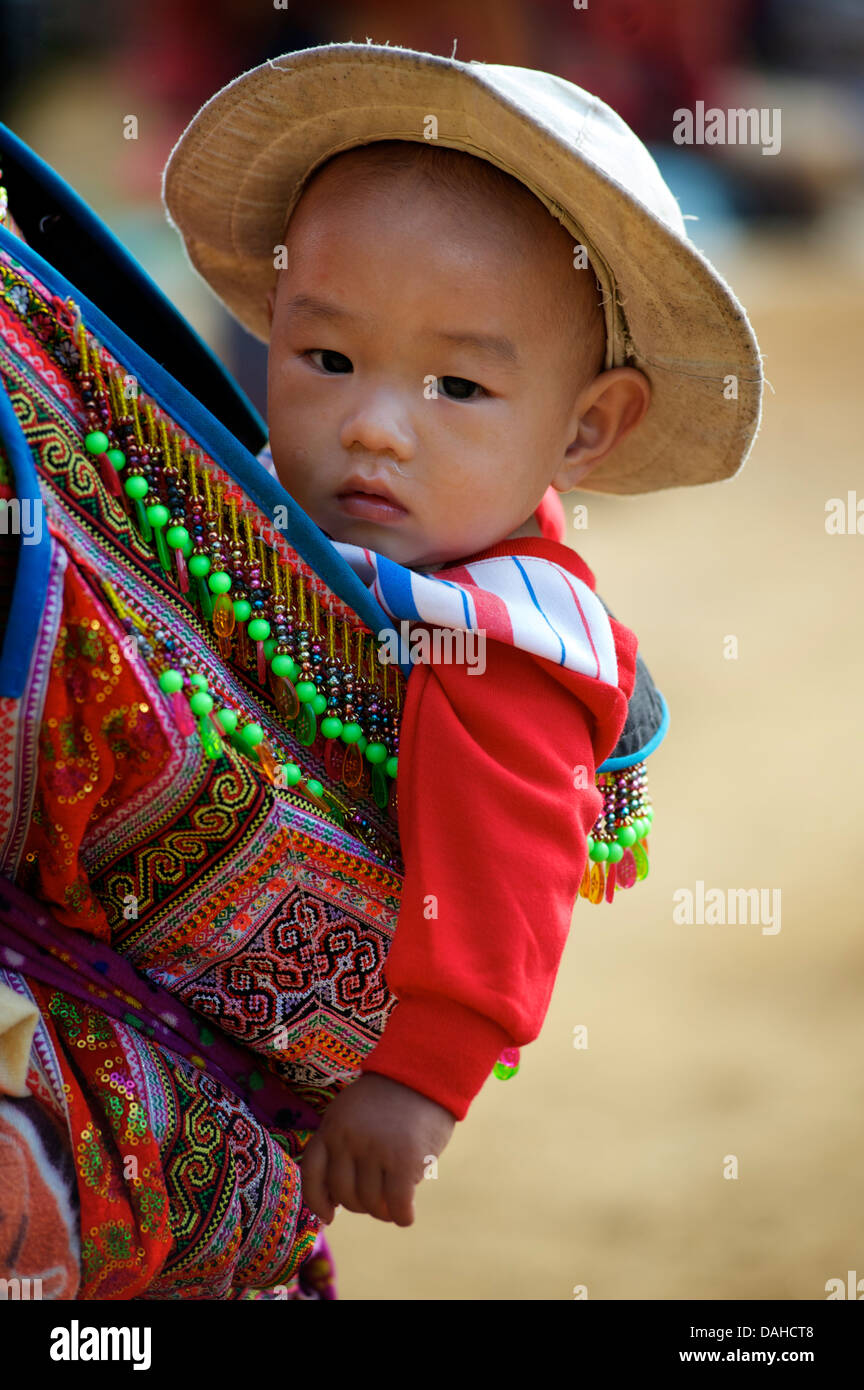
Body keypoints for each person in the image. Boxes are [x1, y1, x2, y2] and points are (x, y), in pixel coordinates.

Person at [161, 42, 760, 1234]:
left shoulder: (497, 644)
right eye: (326, 359)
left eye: (460, 388)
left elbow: (505, 879)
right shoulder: (275, 501)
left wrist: (416, 1084)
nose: (374, 425)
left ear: (587, 427)